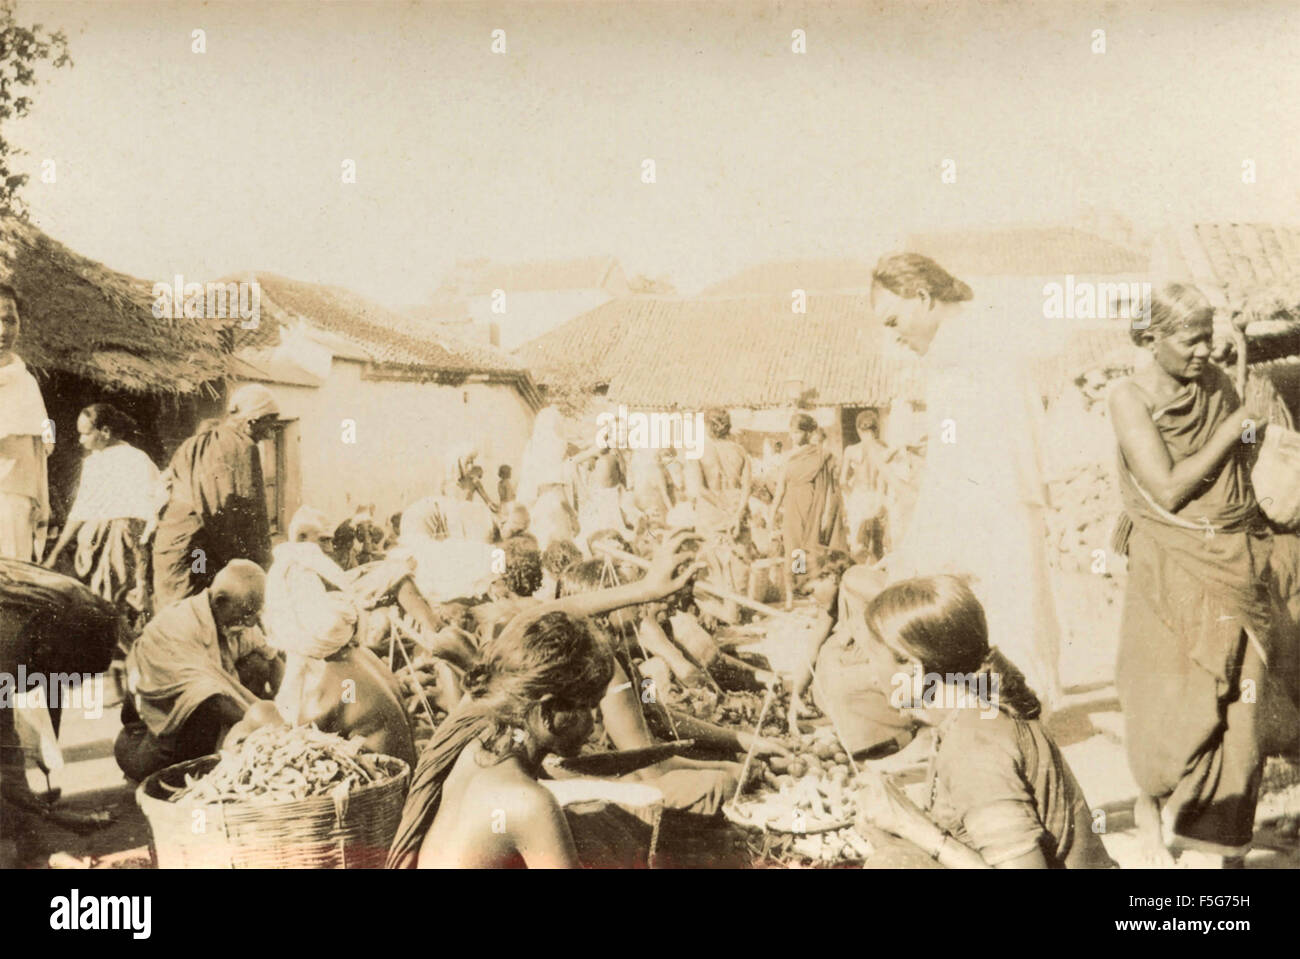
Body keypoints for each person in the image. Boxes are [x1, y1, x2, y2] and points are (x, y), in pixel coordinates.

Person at [1109, 283, 1299, 866]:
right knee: (1169, 700)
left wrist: (1254, 431)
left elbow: (1240, 450)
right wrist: (1238, 424)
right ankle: (1155, 804)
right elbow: (1166, 488)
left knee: (1238, 710)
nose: (1204, 353)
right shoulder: (1128, 397)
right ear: (1150, 339)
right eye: (1190, 342)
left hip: (1235, 556)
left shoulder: (1216, 385)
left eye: (1209, 341)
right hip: (1172, 561)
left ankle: (1226, 850)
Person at [386, 529, 702, 868]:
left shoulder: (483, 723)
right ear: (549, 708)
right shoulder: (530, 804)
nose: (595, 724)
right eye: (590, 708)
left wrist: (646, 590)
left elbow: (530, 620)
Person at [871, 252, 1064, 710]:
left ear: (922, 297)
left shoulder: (968, 352)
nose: (894, 335)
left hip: (995, 506)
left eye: (894, 319)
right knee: (999, 618)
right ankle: (998, 720)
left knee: (1000, 619)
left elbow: (975, 459)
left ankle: (1013, 730)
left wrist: (932, 537)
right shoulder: (965, 347)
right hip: (997, 504)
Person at [853, 575, 1116, 869]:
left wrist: (914, 828)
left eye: (872, 658)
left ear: (912, 667)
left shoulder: (973, 745)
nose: (871, 673)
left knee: (888, 865)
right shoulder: (978, 709)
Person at [262, 508, 417, 769]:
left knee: (262, 718)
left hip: (390, 793)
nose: (330, 548)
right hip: (404, 775)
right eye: (324, 540)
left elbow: (291, 737)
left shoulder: (330, 688)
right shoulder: (363, 656)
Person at [115, 560, 285, 781]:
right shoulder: (177, 626)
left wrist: (287, 705)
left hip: (211, 717)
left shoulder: (232, 616)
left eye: (255, 613)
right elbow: (209, 699)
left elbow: (272, 658)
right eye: (247, 613)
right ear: (220, 601)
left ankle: (233, 742)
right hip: (153, 739)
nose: (252, 622)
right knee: (179, 771)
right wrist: (274, 734)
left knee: (258, 663)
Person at [1, 560, 122, 845]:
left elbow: (54, 684)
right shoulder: (9, 650)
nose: (76, 685)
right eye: (74, 676)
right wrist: (49, 815)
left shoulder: (80, 609)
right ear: (48, 651)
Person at [151, 384, 280, 610]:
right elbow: (245, 513)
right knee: (197, 608)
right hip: (197, 547)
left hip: (173, 543)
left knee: (179, 608)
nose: (269, 434)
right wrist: (260, 564)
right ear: (252, 421)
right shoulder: (240, 446)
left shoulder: (194, 443)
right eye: (268, 424)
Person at [43, 404, 165, 637]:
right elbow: (81, 510)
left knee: (113, 603)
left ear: (105, 432)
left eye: (85, 433)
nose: (80, 440)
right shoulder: (106, 461)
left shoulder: (135, 460)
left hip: (122, 542)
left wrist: (55, 553)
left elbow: (151, 506)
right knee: (113, 604)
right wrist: (57, 551)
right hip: (107, 542)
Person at [770, 414, 846, 608]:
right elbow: (780, 488)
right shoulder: (789, 457)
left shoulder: (823, 455)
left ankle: (814, 594)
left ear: (807, 432)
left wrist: (827, 514)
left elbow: (831, 487)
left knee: (811, 549)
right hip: (793, 507)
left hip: (814, 506)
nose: (793, 436)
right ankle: (791, 596)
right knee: (793, 550)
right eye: (792, 432)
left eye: (797, 432)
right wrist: (772, 513)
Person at [0, 285, 51, 563]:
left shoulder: (27, 383)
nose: (2, 331)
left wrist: (40, 505)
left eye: (9, 320)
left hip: (16, 507)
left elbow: (41, 443)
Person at [686, 409, 752, 604]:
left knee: (711, 560)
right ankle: (740, 606)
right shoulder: (740, 451)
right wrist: (736, 513)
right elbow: (747, 488)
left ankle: (717, 609)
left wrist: (724, 509)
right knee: (739, 560)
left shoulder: (697, 450)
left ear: (707, 426)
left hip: (711, 512)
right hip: (737, 507)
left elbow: (701, 489)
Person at [840, 410, 895, 563]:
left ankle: (859, 576)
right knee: (878, 542)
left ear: (858, 429)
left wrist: (851, 498)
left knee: (857, 543)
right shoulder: (884, 450)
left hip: (858, 497)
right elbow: (886, 480)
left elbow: (842, 481)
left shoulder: (851, 451)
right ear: (876, 429)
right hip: (878, 496)